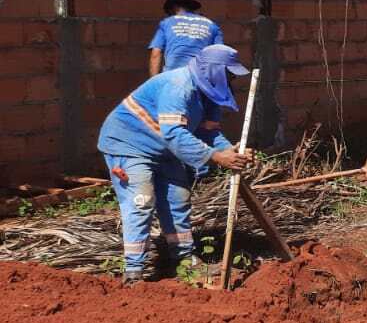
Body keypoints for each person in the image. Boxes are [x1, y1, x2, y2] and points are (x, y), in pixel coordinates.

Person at [98, 43, 252, 283]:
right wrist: (215, 156)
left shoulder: (208, 92)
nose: (231, 79)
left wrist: (228, 150)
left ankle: (183, 261)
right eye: (229, 73)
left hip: (164, 149)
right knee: (141, 201)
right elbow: (174, 134)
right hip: (129, 145)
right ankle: (134, 272)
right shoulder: (179, 86)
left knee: (177, 198)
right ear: (213, 69)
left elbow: (208, 132)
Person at [148, 0, 222, 77]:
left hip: (173, 76)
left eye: (168, 13)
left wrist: (154, 83)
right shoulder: (212, 25)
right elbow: (220, 55)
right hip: (200, 78)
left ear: (174, 8)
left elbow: (156, 54)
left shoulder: (167, 23)